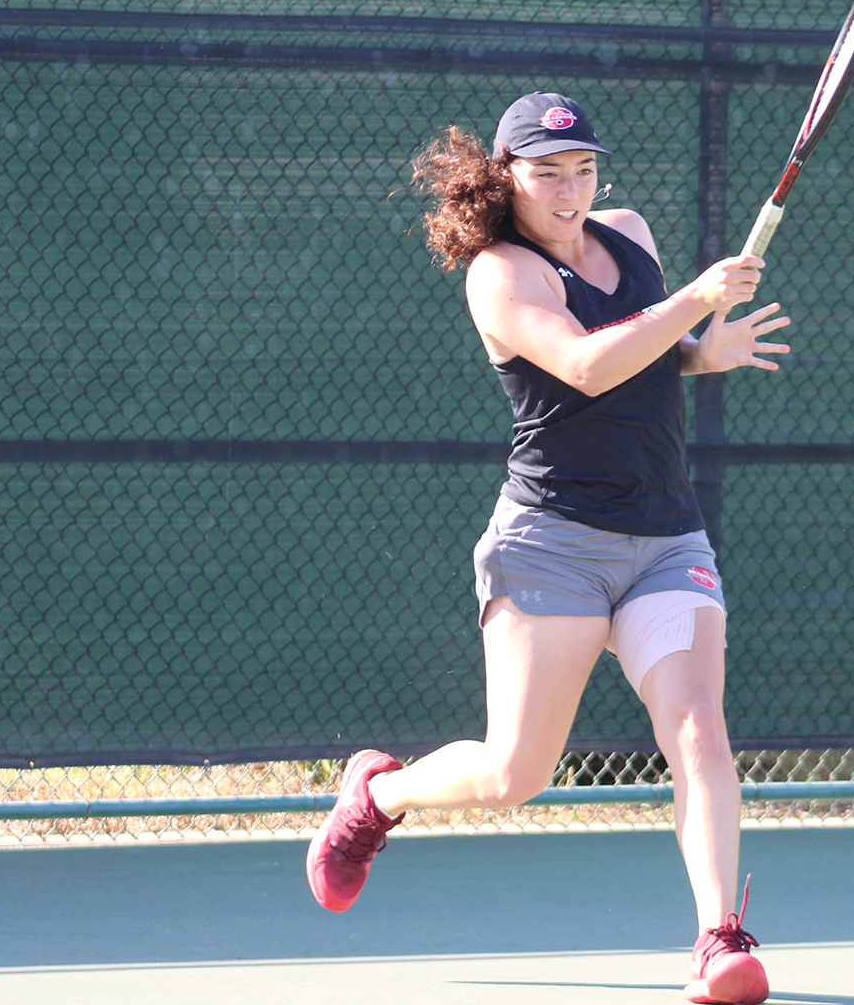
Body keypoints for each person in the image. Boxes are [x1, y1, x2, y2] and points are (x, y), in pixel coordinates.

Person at [305, 91, 791, 1005]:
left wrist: (697, 350)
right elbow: (585, 365)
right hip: (549, 544)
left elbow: (643, 346)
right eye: (547, 173)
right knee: (515, 773)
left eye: (583, 170)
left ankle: (720, 938)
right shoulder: (498, 274)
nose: (571, 191)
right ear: (507, 177)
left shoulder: (630, 233)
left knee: (697, 729)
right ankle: (379, 797)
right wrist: (696, 298)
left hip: (664, 536)